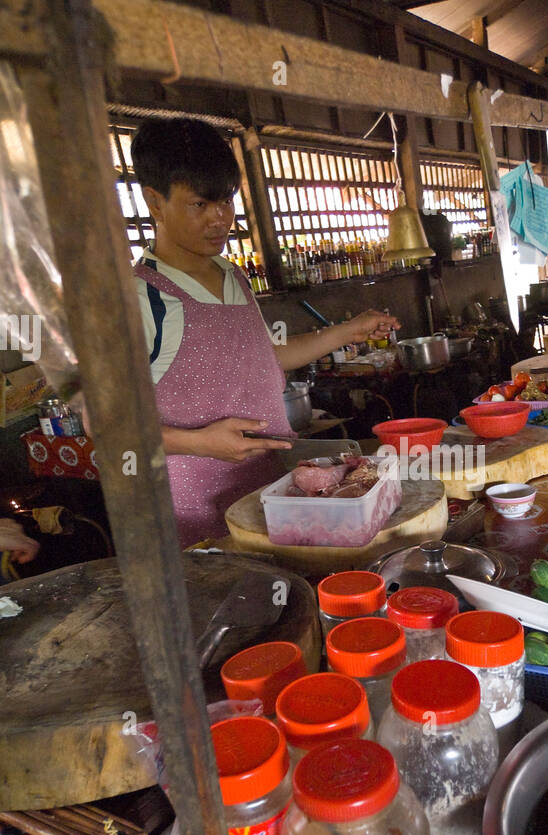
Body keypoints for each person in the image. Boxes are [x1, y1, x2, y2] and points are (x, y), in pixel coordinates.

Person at [131, 118, 398, 545]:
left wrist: (347, 331)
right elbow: (103, 427)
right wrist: (200, 443)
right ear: (155, 202)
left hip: (267, 489)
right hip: (194, 508)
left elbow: (262, 357)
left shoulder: (231, 275)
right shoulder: (140, 298)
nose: (220, 219)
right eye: (200, 204)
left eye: (226, 201)